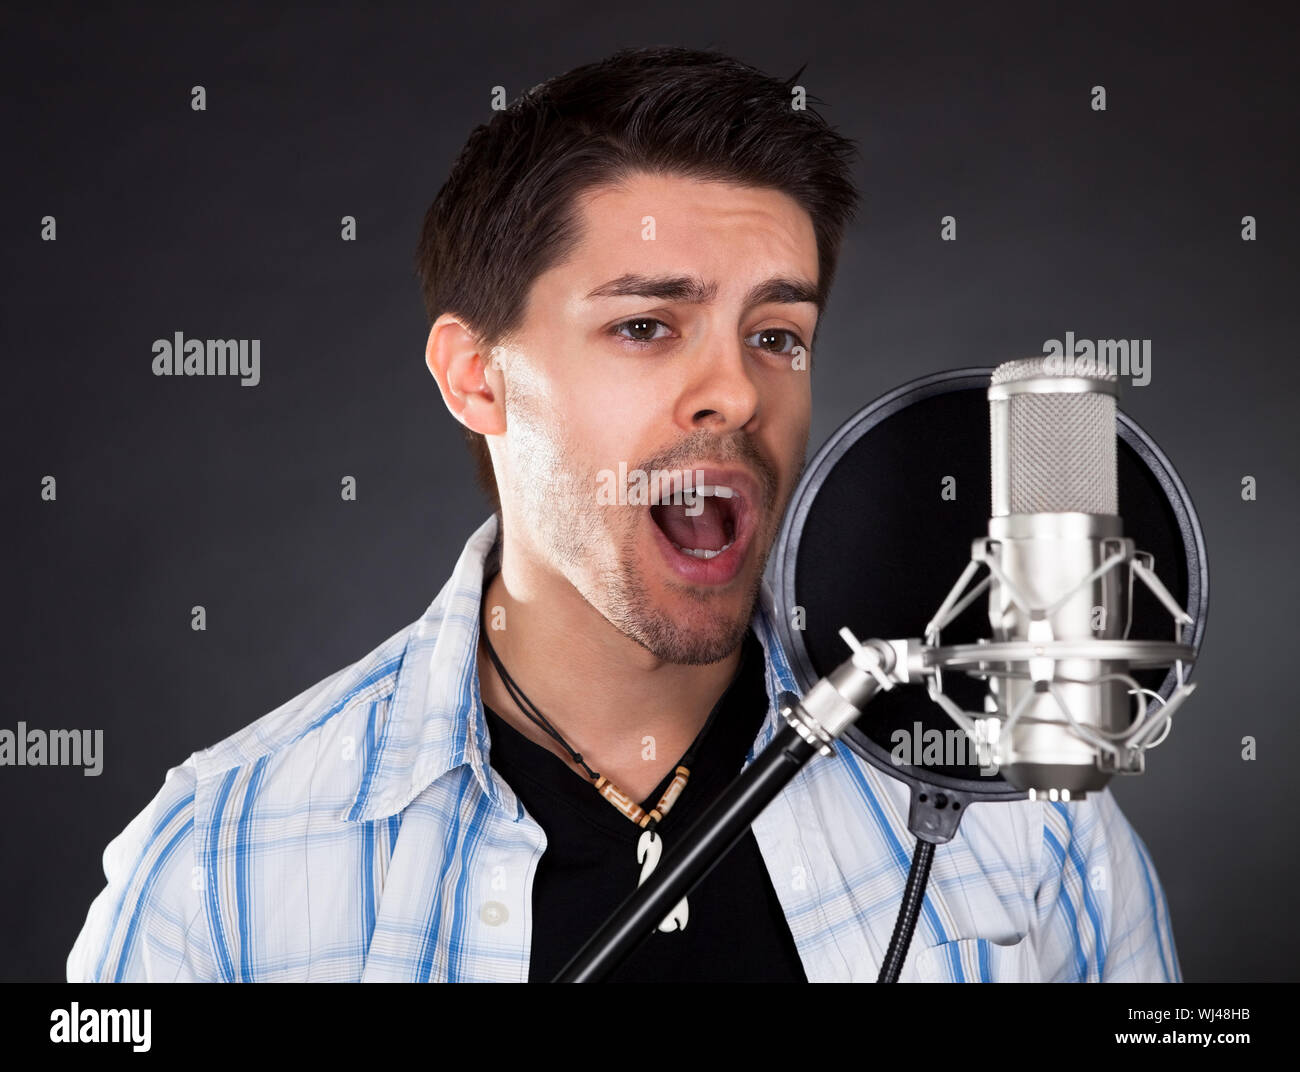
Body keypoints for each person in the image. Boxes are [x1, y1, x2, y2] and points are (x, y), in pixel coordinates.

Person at [67, 45, 1180, 983]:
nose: (739, 392)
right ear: (475, 378)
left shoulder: (1022, 810)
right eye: (647, 325)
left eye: (776, 334)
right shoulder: (217, 863)